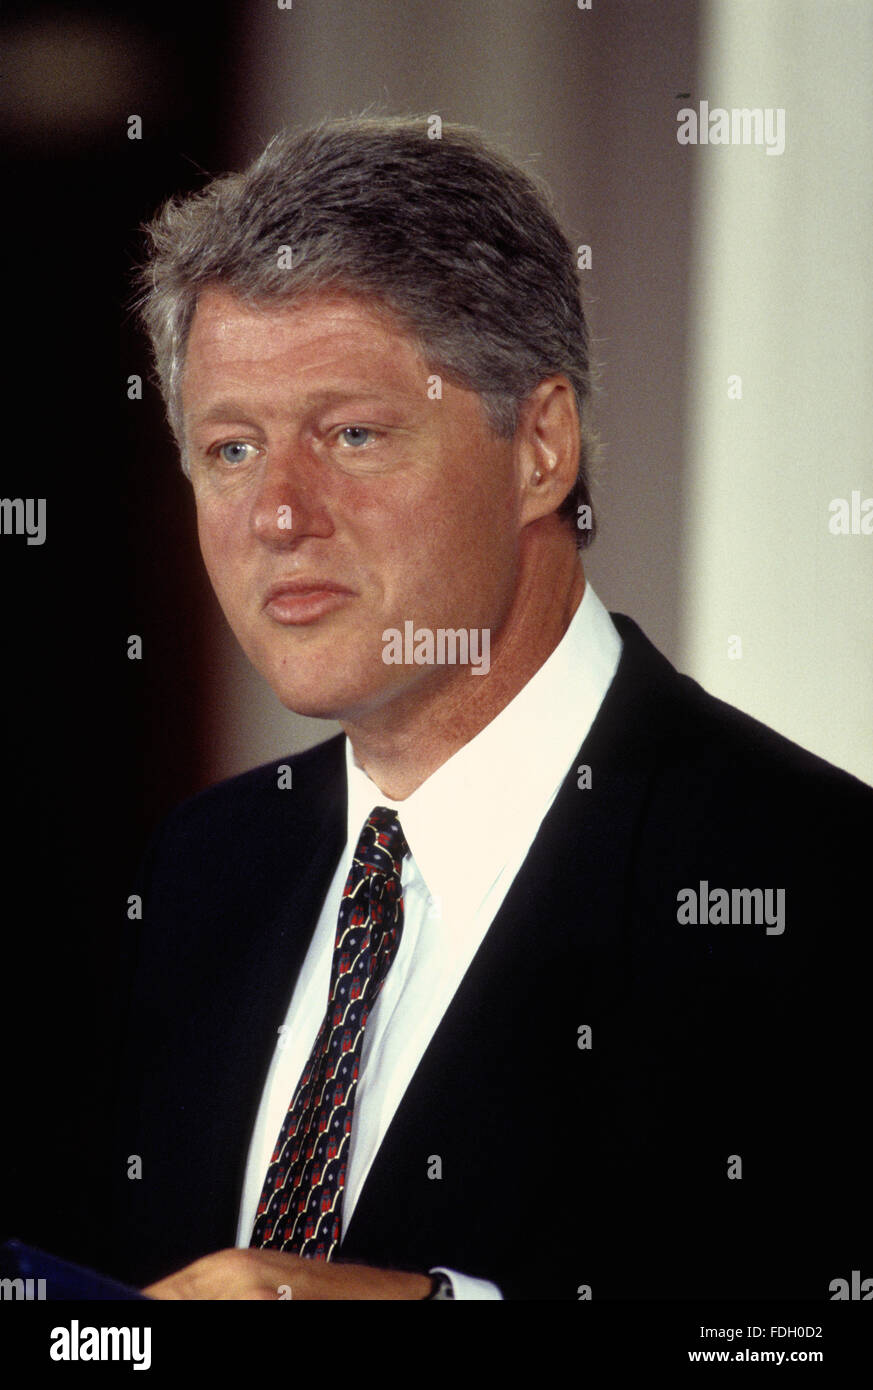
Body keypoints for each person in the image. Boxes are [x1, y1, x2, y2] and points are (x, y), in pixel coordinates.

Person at [106, 115, 871, 1301]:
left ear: (542, 447)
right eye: (232, 448)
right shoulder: (204, 867)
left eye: (352, 433)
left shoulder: (817, 883)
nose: (278, 514)